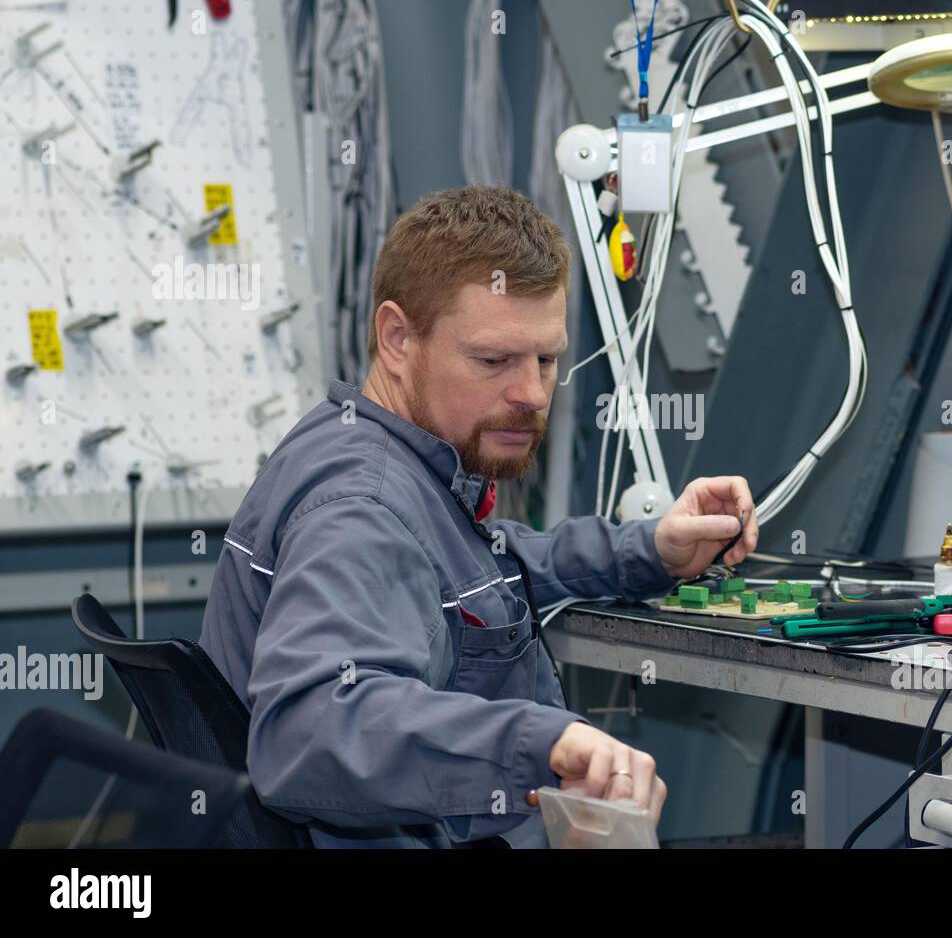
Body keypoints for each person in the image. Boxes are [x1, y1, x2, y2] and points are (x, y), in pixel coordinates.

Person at [200, 186, 759, 847]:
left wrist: (651, 551)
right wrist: (542, 743)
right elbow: (310, 732)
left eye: (546, 360)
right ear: (399, 338)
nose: (530, 394)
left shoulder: (372, 452)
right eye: (494, 361)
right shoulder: (362, 506)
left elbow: (474, 571)